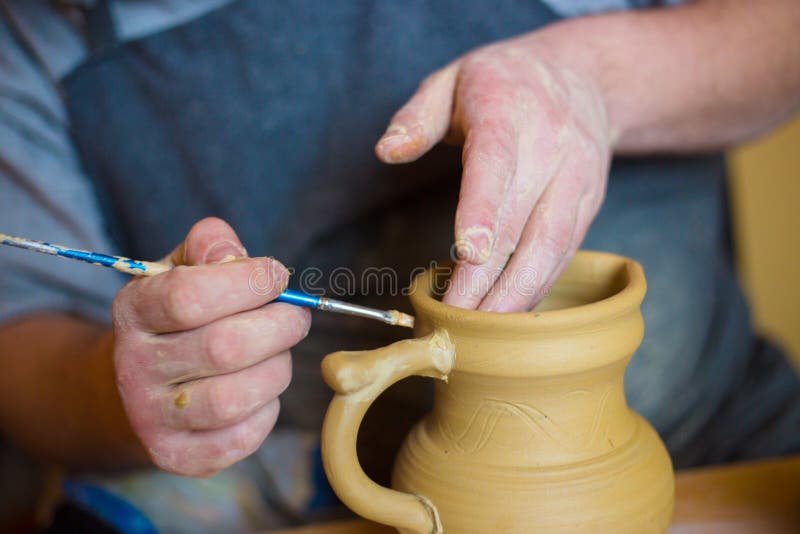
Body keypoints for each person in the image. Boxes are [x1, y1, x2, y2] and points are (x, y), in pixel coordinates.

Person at [1, 0, 798, 531]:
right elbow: (20, 336)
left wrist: (592, 77)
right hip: (313, 479)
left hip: (716, 433)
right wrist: (153, 380)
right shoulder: (35, 30)